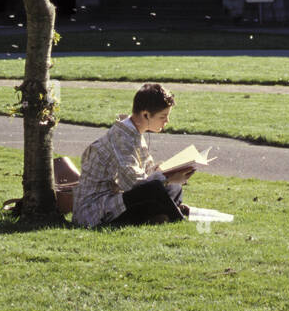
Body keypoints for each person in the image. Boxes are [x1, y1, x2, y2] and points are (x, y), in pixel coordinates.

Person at [71, 82, 197, 229]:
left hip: (119, 199)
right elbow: (133, 183)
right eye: (163, 116)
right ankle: (173, 216)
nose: (166, 121)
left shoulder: (134, 131)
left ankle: (162, 214)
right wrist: (167, 179)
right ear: (145, 114)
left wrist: (173, 172)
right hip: (97, 209)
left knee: (174, 187)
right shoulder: (122, 138)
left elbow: (148, 171)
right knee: (156, 189)